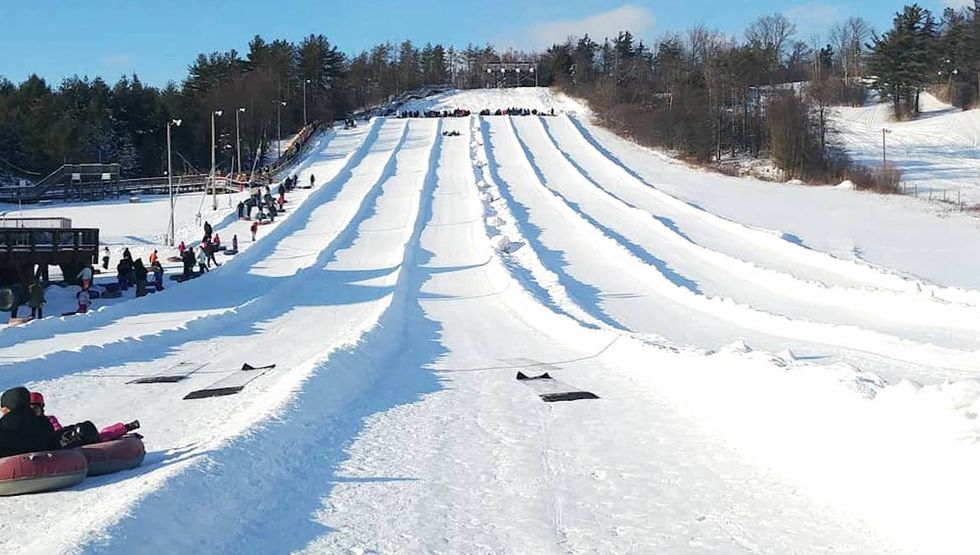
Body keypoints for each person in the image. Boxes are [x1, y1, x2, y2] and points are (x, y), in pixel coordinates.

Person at [29, 392, 139, 444]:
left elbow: (58, 431)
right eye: (29, 409)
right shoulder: (22, 423)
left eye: (35, 408)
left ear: (41, 408)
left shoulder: (49, 419)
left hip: (61, 442)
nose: (33, 412)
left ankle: (125, 428)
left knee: (97, 436)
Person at [0, 387, 59, 458]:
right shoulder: (43, 423)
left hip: (9, 467)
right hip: (45, 466)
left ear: (6, 407)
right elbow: (55, 448)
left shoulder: (3, 426)